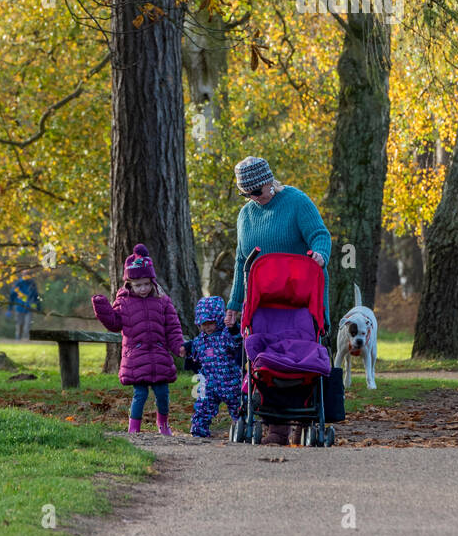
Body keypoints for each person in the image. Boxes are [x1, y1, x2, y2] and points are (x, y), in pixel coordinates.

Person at [226, 155, 330, 445]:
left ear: (270, 181)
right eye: (246, 194)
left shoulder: (296, 202)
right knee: (265, 361)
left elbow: (320, 235)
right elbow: (240, 262)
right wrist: (234, 305)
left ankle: (304, 421)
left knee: (301, 356)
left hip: (299, 299)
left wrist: (320, 256)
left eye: (257, 191)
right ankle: (277, 429)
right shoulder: (245, 215)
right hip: (263, 304)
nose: (253, 198)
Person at [92, 243, 185, 435]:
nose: (142, 288)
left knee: (162, 394)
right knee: (140, 394)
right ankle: (134, 428)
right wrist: (102, 308)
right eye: (137, 285)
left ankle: (163, 424)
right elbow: (115, 324)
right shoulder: (124, 302)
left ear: (152, 281)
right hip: (136, 357)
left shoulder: (163, 301)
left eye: (146, 283)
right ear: (129, 284)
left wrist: (179, 347)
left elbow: (173, 328)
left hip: (159, 355)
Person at [183, 295, 243, 439]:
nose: (207, 327)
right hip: (208, 383)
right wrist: (186, 349)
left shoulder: (225, 335)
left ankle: (243, 429)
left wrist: (234, 328)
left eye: (210, 323)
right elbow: (193, 351)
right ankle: (198, 432)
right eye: (203, 324)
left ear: (218, 319)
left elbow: (237, 341)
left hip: (230, 382)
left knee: (238, 408)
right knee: (202, 407)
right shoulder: (200, 340)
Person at [6, 275, 42, 340]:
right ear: (22, 274)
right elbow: (12, 297)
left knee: (28, 325)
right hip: (19, 307)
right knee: (19, 324)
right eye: (25, 273)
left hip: (29, 308)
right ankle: (18, 339)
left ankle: (26, 339)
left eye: (28, 273)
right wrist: (9, 309)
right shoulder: (18, 283)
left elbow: (36, 296)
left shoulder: (32, 283)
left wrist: (38, 308)